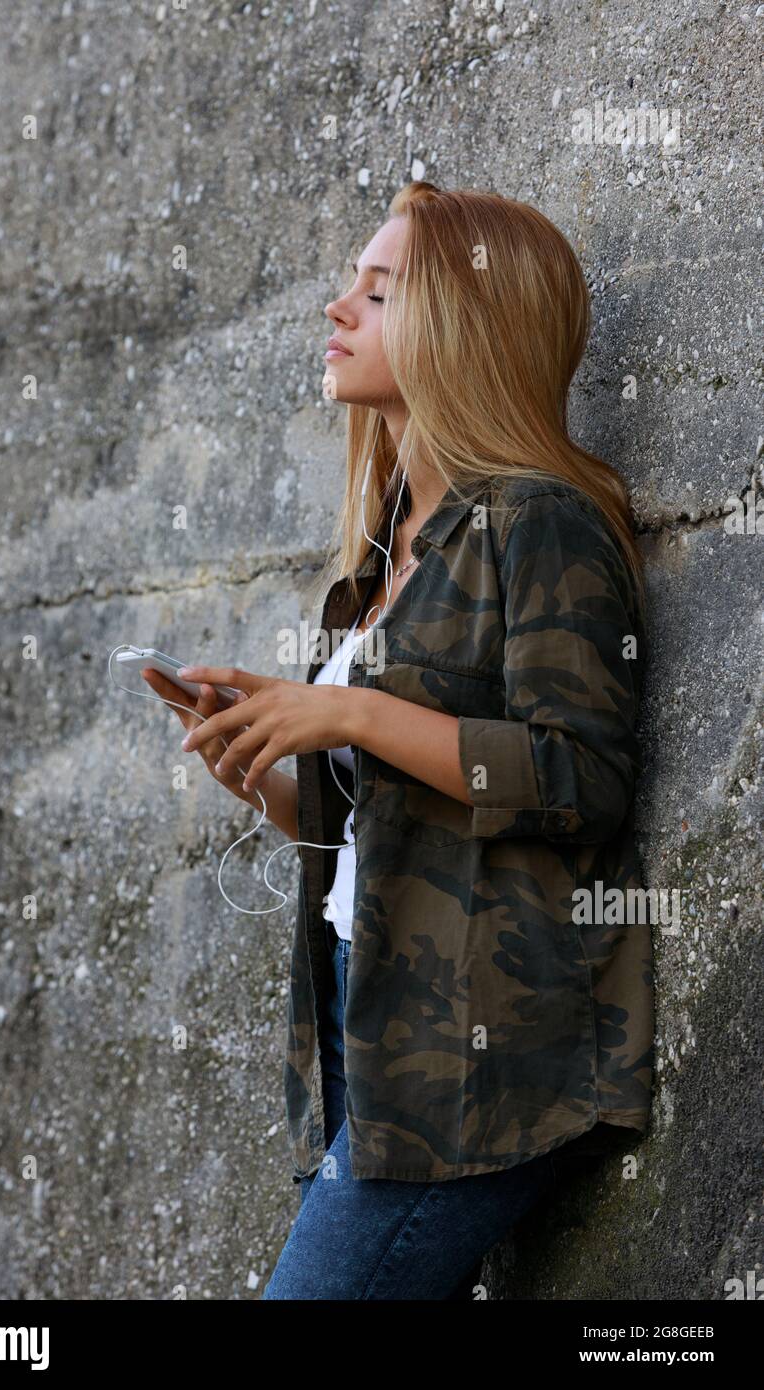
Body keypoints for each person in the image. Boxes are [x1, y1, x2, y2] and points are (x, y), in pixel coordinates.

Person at [142, 183, 655, 1300]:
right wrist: (268, 776)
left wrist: (347, 711)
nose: (337, 308)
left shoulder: (541, 522)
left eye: (377, 293)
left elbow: (583, 779)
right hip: (362, 1015)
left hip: (480, 1055)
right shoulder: (381, 559)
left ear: (462, 327)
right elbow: (382, 824)